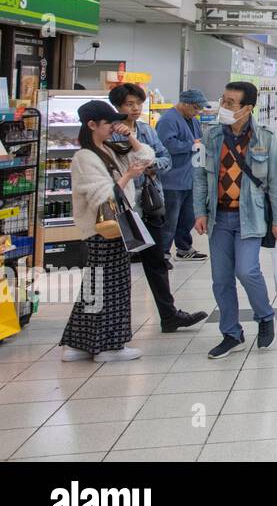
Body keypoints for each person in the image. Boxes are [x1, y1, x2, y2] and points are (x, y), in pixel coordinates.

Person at [193, 82, 277, 358]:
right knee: (221, 279)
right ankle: (231, 333)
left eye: (231, 103)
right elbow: (200, 177)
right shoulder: (209, 137)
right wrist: (199, 211)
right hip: (218, 217)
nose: (224, 107)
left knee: (247, 271)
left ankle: (265, 316)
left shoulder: (266, 139)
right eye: (223, 100)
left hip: (251, 215)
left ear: (248, 108)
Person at [107, 84, 207, 334]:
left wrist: (152, 165)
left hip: (150, 202)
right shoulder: (109, 134)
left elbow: (163, 158)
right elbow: (118, 166)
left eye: (138, 104)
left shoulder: (146, 130)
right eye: (130, 104)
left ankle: (169, 315)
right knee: (113, 268)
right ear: (118, 107)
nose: (136, 109)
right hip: (122, 208)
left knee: (156, 263)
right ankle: (111, 324)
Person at [61, 100, 155, 362]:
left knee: (95, 287)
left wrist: (132, 138)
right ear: (92, 125)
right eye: (109, 123)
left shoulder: (108, 150)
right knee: (112, 287)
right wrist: (127, 176)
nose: (114, 127)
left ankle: (81, 344)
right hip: (103, 231)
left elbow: (147, 157)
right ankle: (109, 347)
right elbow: (102, 195)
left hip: (113, 230)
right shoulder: (85, 157)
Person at [154, 87, 210, 262]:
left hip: (190, 177)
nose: (198, 111)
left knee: (187, 217)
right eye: (195, 108)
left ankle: (184, 248)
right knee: (170, 219)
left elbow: (198, 140)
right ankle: (162, 253)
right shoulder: (168, 120)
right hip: (172, 178)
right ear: (185, 104)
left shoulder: (192, 119)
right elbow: (166, 145)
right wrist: (191, 144)